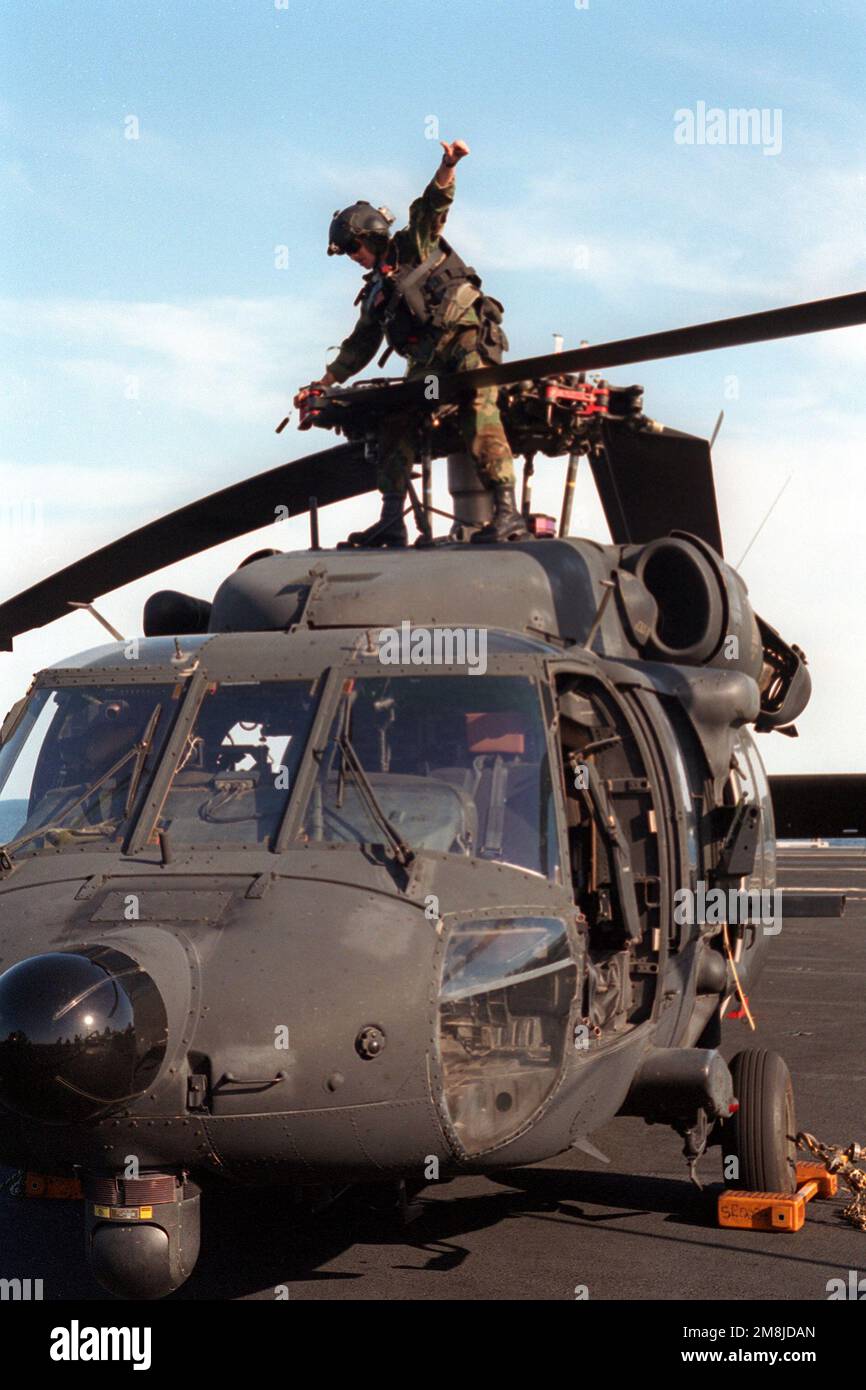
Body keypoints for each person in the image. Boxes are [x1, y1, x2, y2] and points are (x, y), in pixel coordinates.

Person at [302, 139, 528, 547]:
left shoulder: (414, 244)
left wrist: (448, 165)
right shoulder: (375, 292)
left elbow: (432, 206)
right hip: (427, 364)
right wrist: (323, 385)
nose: (353, 256)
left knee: (479, 405)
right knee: (394, 416)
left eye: (353, 246)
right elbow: (359, 345)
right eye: (346, 252)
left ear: (371, 235)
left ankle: (507, 512)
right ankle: (392, 519)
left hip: (464, 339)